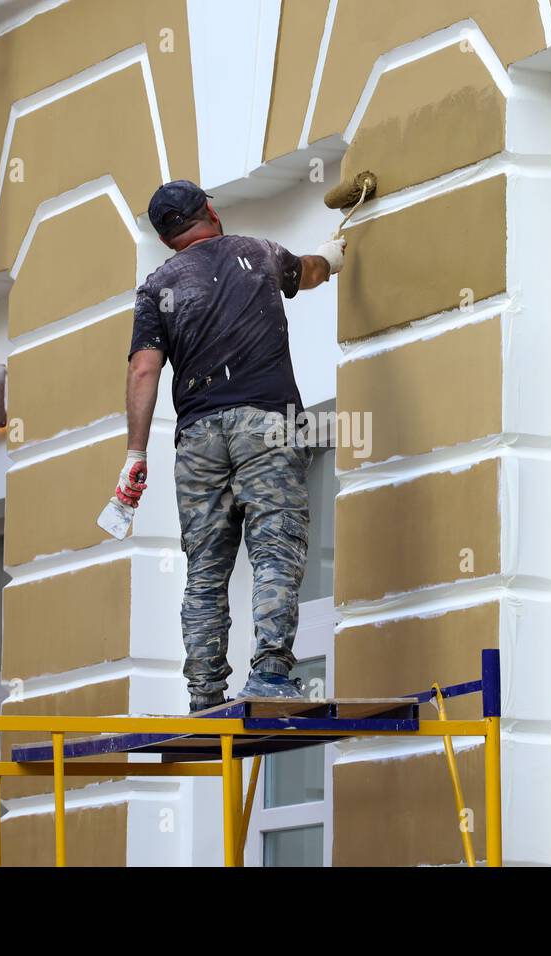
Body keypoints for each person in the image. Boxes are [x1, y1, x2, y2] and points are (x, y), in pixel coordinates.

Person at [114, 180, 345, 712]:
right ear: (210, 212)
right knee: (275, 549)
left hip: (198, 440)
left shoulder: (156, 288)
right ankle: (268, 674)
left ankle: (204, 695)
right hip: (265, 424)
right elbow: (306, 272)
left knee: (205, 570)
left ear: (167, 237)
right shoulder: (256, 254)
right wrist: (332, 258)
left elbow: (144, 367)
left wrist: (136, 453)